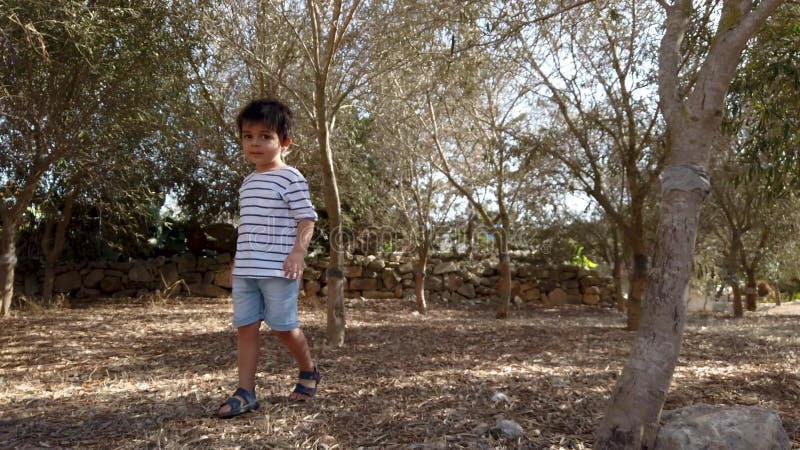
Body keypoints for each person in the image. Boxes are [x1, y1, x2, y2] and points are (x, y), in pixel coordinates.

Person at [217, 98, 320, 419]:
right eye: (248, 136)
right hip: (248, 269)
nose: (255, 143)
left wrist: (298, 252)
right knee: (245, 328)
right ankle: (246, 392)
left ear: (284, 142)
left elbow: (307, 219)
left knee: (283, 328)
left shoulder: (291, 178)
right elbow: (247, 226)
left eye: (265, 136)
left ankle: (309, 370)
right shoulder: (247, 182)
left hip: (279, 269)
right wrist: (238, 261)